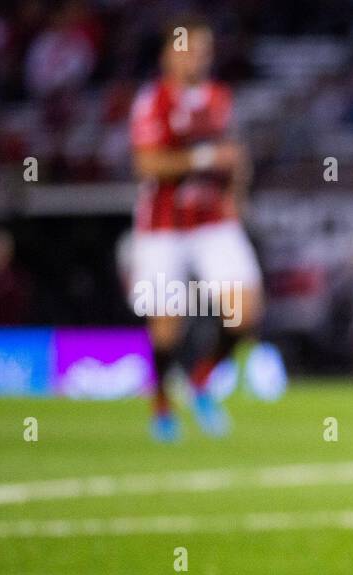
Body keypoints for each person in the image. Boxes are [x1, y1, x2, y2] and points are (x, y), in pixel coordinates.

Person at [129, 15, 263, 442]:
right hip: (162, 226)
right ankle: (162, 405)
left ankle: (201, 382)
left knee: (243, 313)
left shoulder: (221, 99)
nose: (197, 57)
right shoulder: (153, 101)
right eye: (189, 48)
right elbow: (148, 163)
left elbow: (236, 157)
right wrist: (206, 159)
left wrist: (235, 194)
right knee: (167, 325)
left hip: (212, 221)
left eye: (204, 49)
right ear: (169, 53)